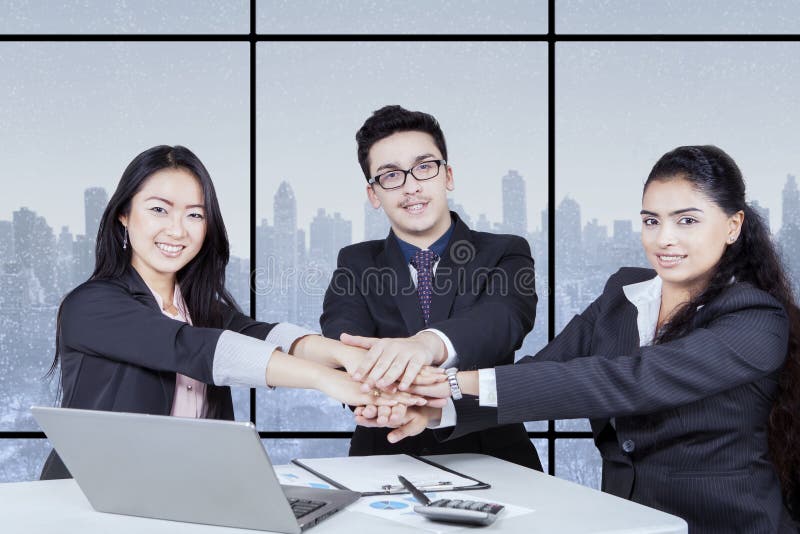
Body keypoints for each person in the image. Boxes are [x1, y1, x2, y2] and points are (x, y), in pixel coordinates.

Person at [359, 145, 800, 532]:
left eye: (687, 220)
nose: (664, 239)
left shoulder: (757, 319)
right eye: (651, 221)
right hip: (627, 523)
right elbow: (547, 369)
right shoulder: (622, 295)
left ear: (732, 226)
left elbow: (627, 381)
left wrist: (454, 382)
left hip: (724, 525)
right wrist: (438, 407)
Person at [40, 145, 425, 480]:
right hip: (89, 495)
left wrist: (351, 358)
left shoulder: (198, 307)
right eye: (159, 210)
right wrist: (328, 380)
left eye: (194, 215)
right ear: (123, 214)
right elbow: (193, 347)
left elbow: (264, 335)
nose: (177, 230)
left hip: (185, 492)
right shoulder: (91, 306)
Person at [320, 105, 542, 470]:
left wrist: (424, 345)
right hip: (384, 458)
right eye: (391, 175)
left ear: (447, 176)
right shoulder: (356, 262)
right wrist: (381, 395)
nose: (411, 187)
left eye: (424, 167)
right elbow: (344, 344)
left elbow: (502, 321)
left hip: (493, 457)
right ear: (374, 194)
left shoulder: (504, 251)